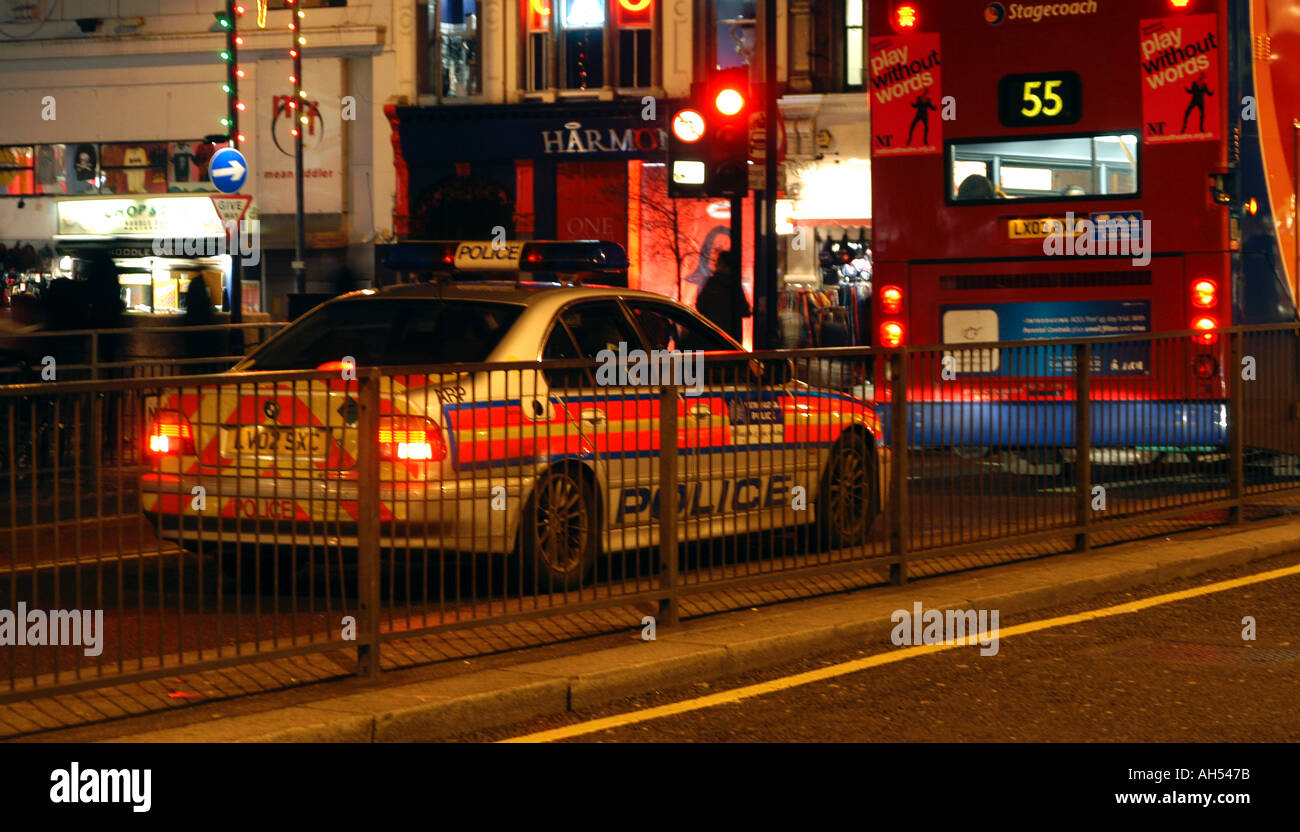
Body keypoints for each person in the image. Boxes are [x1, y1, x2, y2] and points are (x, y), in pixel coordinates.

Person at [695, 249, 749, 344]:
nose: (715, 265)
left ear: (722, 264)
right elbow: (745, 310)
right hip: (732, 340)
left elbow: (700, 306)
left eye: (718, 261)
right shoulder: (735, 286)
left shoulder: (711, 284)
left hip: (712, 335)